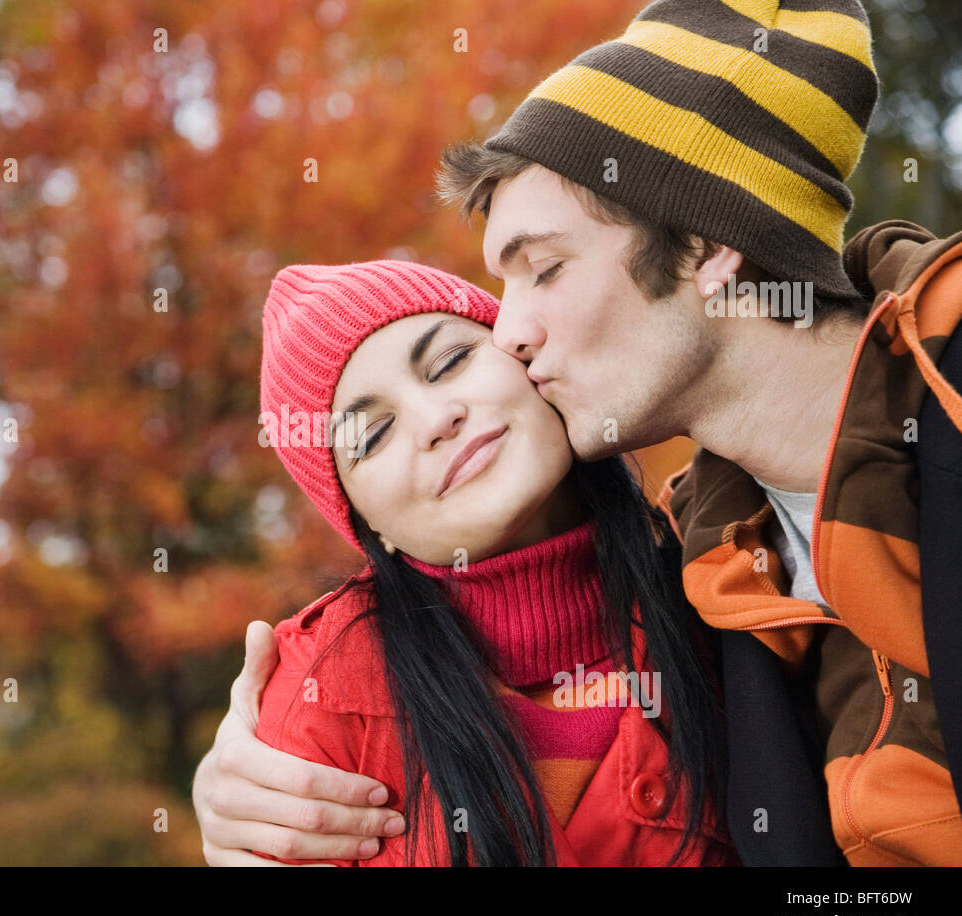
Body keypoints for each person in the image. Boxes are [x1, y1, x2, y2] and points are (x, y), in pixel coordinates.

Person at [193, 0, 962, 866]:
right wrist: (236, 797)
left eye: (545, 270)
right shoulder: (732, 570)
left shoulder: (709, 591)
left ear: (711, 240)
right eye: (368, 436)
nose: (511, 334)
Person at [244, 258, 731, 865]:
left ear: (528, 361)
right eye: (371, 435)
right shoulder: (319, 699)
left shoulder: (730, 585)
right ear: (368, 528)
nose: (436, 419)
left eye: (450, 362)